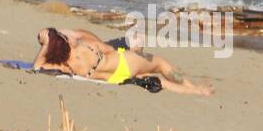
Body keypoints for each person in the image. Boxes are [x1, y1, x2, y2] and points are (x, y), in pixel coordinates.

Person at [31, 27, 214, 95]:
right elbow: (107, 48)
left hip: (114, 79)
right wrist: (74, 34)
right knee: (160, 63)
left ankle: (194, 92)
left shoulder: (61, 65)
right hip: (124, 63)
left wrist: (45, 44)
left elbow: (37, 67)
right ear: (62, 38)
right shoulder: (81, 45)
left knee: (159, 81)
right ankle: (195, 88)